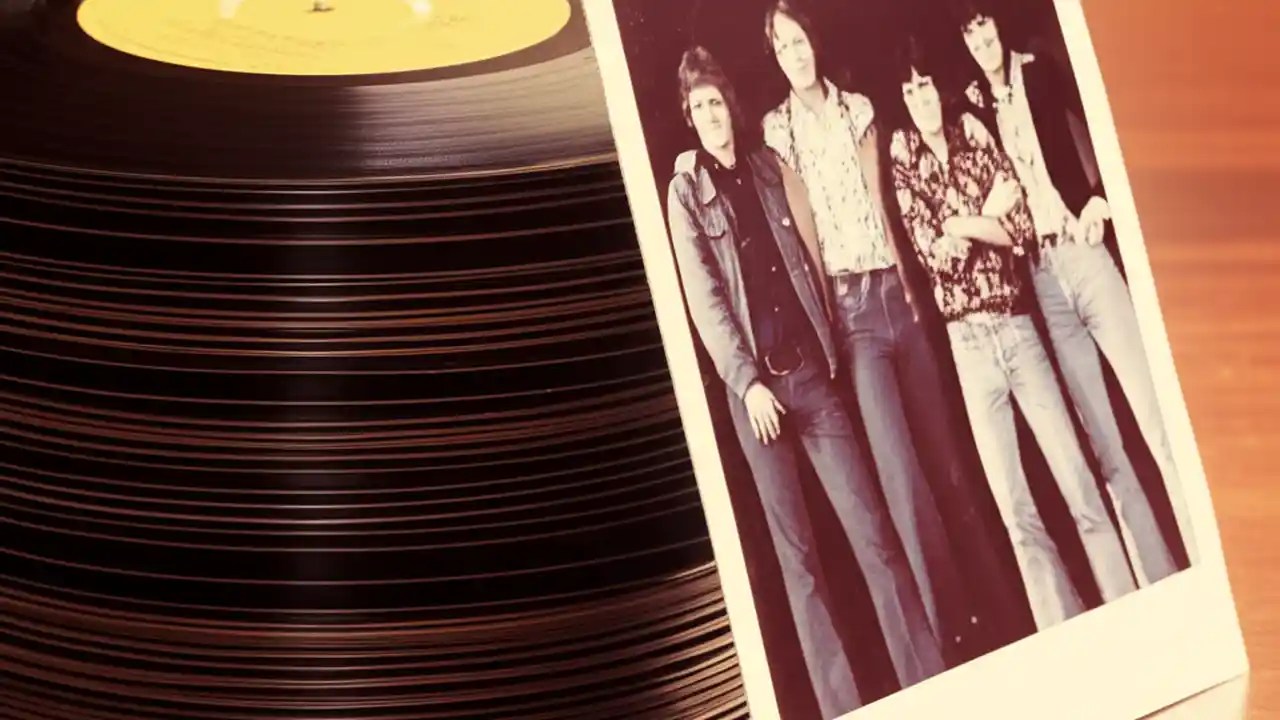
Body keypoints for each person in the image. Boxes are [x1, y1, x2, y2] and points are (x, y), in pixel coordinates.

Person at [666, 46, 943, 717]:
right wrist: (747, 382)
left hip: (811, 380)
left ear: (729, 106)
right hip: (755, 396)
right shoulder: (684, 193)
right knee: (801, 566)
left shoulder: (766, 167)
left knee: (873, 533)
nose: (710, 116)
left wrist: (828, 346)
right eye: (697, 107)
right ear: (688, 116)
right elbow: (704, 299)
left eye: (715, 102)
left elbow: (812, 249)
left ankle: (933, 688)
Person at [759, 0, 1022, 654]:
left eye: (800, 41)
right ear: (774, 56)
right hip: (852, 320)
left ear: (814, 43)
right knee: (902, 482)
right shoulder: (776, 130)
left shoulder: (862, 110)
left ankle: (1005, 623)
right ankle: (952, 639)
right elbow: (748, 181)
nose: (795, 54)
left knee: (950, 464)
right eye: (782, 46)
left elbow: (917, 147)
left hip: (900, 297)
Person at [887, 38, 1138, 631]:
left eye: (926, 86)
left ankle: (1131, 614)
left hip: (1019, 331)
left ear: (938, 90)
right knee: (1015, 511)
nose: (921, 98)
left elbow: (1021, 228)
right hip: (969, 347)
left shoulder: (975, 133)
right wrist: (983, 217)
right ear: (902, 99)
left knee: (1079, 483)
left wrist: (959, 221)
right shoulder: (903, 159)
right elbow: (932, 255)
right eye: (910, 90)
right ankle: (1064, 633)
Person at [950, 0, 1196, 571]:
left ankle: (1210, 561)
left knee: (1156, 416)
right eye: (968, 32)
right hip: (1042, 280)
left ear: (999, 25)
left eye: (984, 25)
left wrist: (1097, 199)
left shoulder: (1041, 70)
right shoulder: (973, 106)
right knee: (1105, 447)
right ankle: (1156, 579)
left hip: (1084, 256)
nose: (980, 39)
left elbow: (1107, 126)